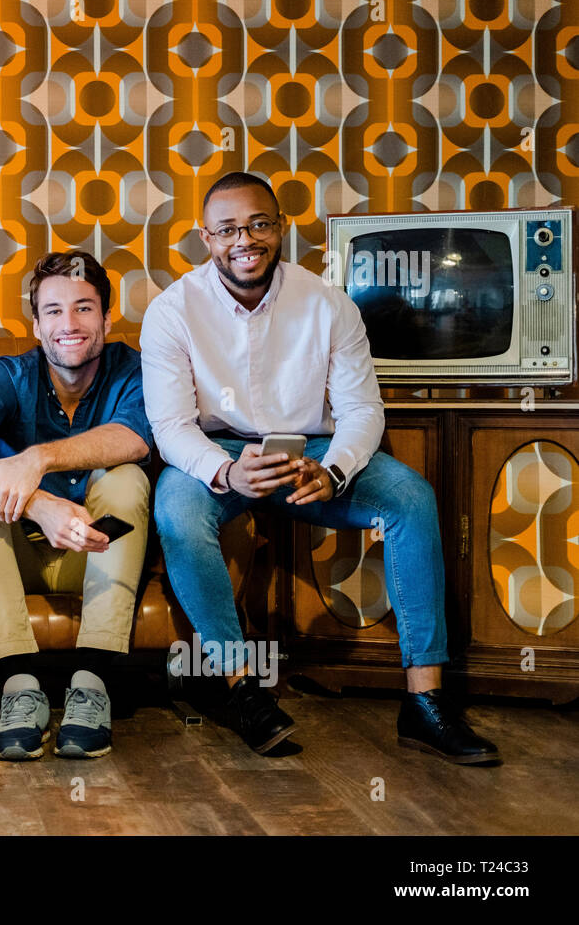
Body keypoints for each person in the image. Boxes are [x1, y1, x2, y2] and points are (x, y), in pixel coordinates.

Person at [141, 170, 500, 764]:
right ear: (205, 237)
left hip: (312, 453)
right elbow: (172, 427)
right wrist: (226, 473)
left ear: (280, 227)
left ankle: (425, 703)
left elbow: (362, 410)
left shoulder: (330, 304)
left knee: (411, 498)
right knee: (176, 508)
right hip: (220, 454)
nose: (244, 240)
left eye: (258, 224)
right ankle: (239, 689)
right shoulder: (171, 312)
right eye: (227, 228)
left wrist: (332, 471)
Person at [0, 251, 153, 761]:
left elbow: (134, 438)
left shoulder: (134, 369)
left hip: (93, 554)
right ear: (36, 323)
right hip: (15, 561)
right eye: (53, 310)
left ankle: (92, 684)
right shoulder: (9, 375)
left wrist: (37, 459)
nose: (67, 324)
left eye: (83, 309)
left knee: (127, 478)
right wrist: (38, 502)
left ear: (107, 318)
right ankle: (18, 686)